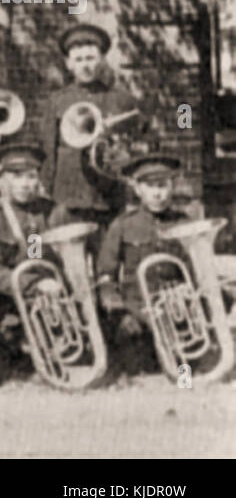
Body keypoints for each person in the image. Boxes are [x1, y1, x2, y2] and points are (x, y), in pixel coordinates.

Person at [0, 140, 75, 377]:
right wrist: (32, 284)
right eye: (16, 177)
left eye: (31, 176)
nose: (25, 184)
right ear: (3, 180)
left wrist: (63, 284)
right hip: (13, 299)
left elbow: (69, 259)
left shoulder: (53, 211)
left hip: (53, 294)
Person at [94, 150, 189, 378]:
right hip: (136, 310)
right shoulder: (123, 225)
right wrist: (118, 309)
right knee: (135, 354)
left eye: (163, 185)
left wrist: (187, 291)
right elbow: (105, 275)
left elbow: (194, 270)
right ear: (138, 190)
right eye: (150, 186)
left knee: (185, 358)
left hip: (174, 308)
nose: (157, 193)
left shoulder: (184, 223)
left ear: (172, 187)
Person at [40, 24, 142, 235]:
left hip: (107, 195)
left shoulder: (122, 100)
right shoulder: (57, 101)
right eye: (78, 60)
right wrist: (46, 191)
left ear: (102, 60)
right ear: (69, 64)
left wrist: (125, 156)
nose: (85, 65)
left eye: (90, 58)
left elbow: (139, 141)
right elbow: (48, 150)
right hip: (68, 194)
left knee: (106, 259)